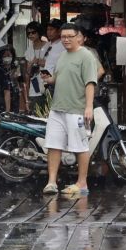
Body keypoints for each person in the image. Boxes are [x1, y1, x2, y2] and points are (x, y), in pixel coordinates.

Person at [41, 22, 98, 197]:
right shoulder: (62, 56)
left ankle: (82, 182)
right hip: (57, 107)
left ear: (78, 37)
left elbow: (90, 82)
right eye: (63, 36)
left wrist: (88, 107)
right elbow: (58, 78)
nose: (65, 40)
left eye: (69, 37)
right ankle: (51, 181)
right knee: (53, 145)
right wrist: (49, 79)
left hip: (76, 109)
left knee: (80, 146)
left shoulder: (86, 56)